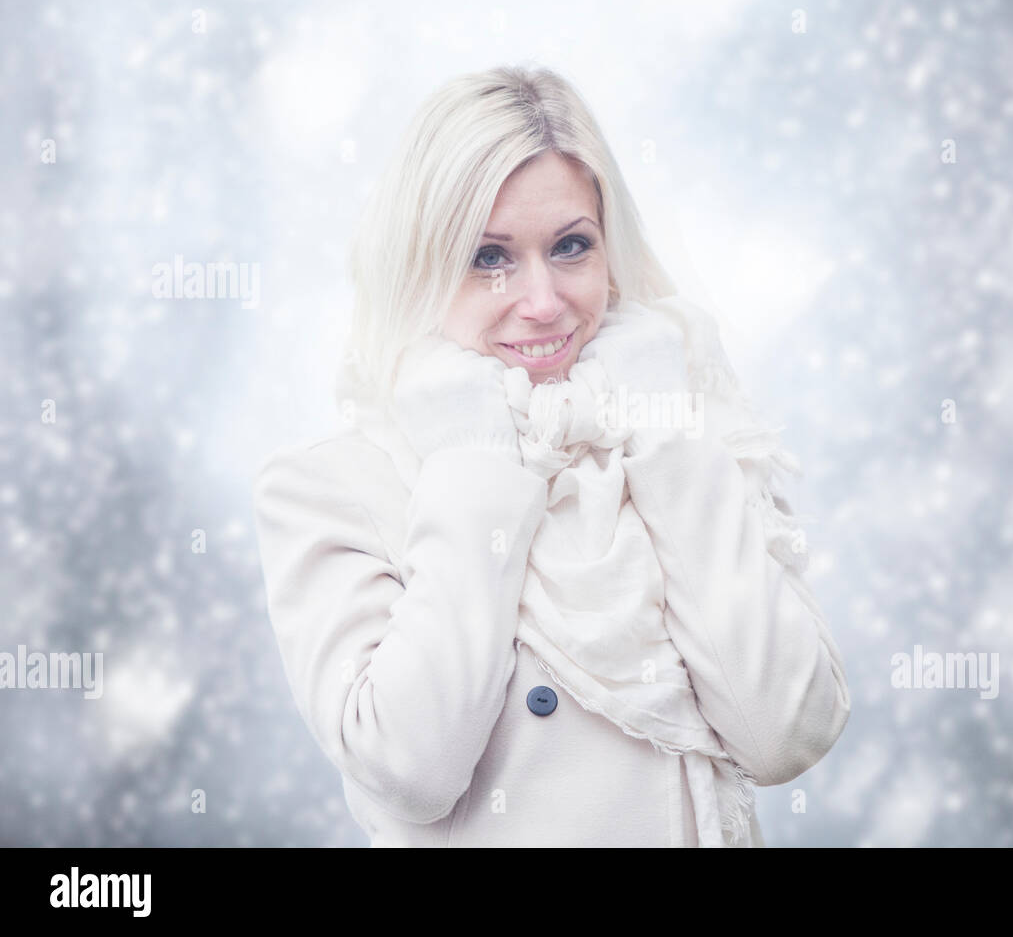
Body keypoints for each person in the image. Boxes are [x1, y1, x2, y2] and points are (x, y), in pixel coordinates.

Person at [251, 64, 851, 847]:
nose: (541, 300)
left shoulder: (696, 431)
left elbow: (784, 733)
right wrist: (476, 461)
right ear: (421, 263)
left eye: (571, 246)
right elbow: (411, 769)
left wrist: (665, 433)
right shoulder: (329, 488)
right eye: (488, 256)